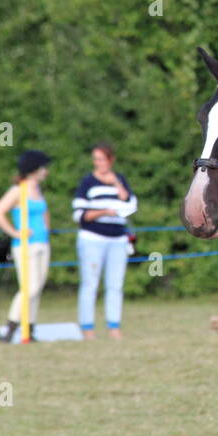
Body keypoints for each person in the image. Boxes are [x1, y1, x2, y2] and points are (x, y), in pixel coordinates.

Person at [72, 142, 138, 341]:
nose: (98, 163)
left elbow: (130, 204)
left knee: (115, 285)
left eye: (101, 159)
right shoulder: (87, 183)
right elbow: (79, 215)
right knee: (90, 285)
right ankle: (87, 328)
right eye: (96, 159)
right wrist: (103, 212)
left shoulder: (120, 180)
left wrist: (116, 183)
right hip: (93, 239)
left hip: (118, 239)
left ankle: (114, 327)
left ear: (111, 160)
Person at [0, 150, 52, 343]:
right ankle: (10, 327)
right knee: (29, 287)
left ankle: (29, 328)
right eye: (43, 168)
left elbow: (44, 214)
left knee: (38, 287)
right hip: (26, 246)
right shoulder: (18, 190)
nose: (46, 172)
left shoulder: (38, 191)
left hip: (42, 243)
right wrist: (15, 232)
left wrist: (47, 231)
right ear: (34, 169)